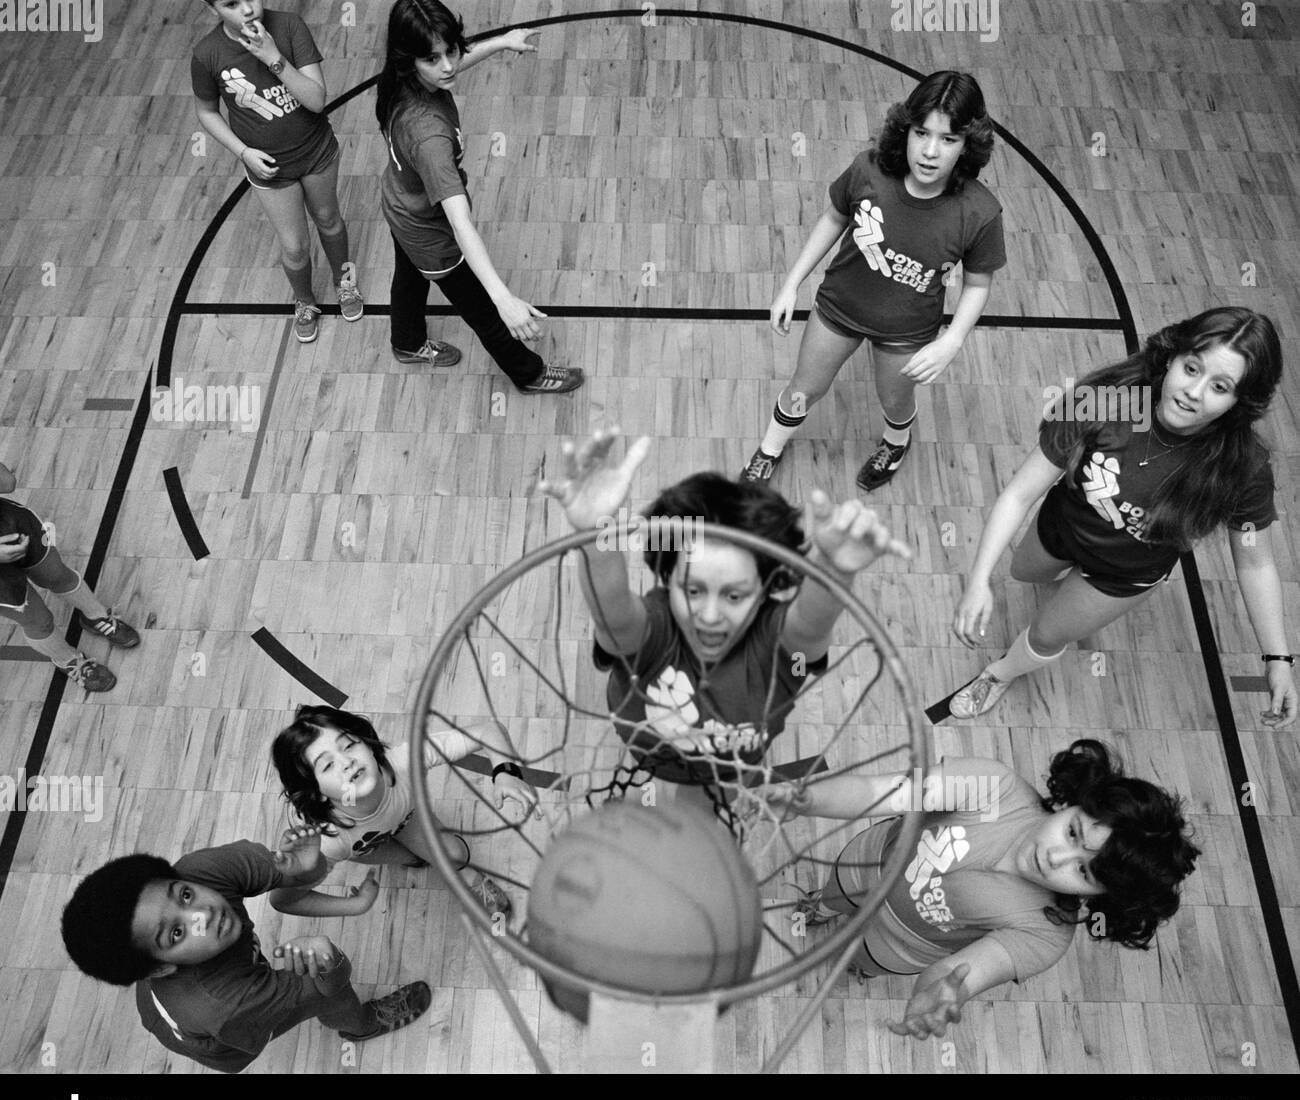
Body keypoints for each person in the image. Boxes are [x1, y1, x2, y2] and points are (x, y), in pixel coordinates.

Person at [950, 307, 1296, 725]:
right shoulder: (1102, 401)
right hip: (1062, 525)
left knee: (1045, 633)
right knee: (1025, 574)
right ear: (1172, 357)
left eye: (1219, 386)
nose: (1193, 392)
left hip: (1123, 576)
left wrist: (1278, 658)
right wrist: (979, 579)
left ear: (1239, 402)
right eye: (1191, 368)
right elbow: (1020, 493)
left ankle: (999, 673)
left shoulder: (1243, 468)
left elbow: (1256, 562)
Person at [538, 428, 910, 794]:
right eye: (694, 590)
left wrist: (836, 568)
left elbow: (813, 625)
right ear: (668, 577)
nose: (710, 615)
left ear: (767, 588)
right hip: (648, 749)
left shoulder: (783, 649)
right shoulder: (654, 633)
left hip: (734, 767)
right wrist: (596, 537)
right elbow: (612, 614)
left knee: (726, 804)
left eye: (734, 596)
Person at [765, 738, 1200, 1039]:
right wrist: (808, 799)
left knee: (863, 961)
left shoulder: (1045, 935)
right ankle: (821, 907)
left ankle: (859, 965)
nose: (1056, 859)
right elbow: (881, 794)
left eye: (1084, 873)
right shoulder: (994, 786)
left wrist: (939, 994)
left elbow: (963, 974)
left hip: (900, 946)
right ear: (1075, 804)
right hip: (869, 860)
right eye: (1072, 834)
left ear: (1103, 897)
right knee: (833, 895)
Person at [742, 70, 1004, 491]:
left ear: (968, 144)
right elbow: (834, 217)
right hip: (839, 309)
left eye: (948, 139)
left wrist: (952, 340)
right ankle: (769, 450)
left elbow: (977, 283)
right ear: (906, 128)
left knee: (896, 400)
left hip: (907, 330)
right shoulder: (868, 170)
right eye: (922, 132)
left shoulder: (980, 213)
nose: (930, 151)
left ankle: (896, 443)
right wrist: (791, 283)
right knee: (803, 389)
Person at [60, 825, 432, 1072]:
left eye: (184, 895)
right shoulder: (229, 1003)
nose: (202, 913)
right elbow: (328, 982)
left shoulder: (197, 869)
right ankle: (362, 1026)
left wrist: (306, 865)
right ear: (157, 969)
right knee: (326, 995)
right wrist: (327, 960)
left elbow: (297, 876)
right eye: (175, 933)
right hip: (223, 1036)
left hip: (184, 1000)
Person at [378, 0, 582, 392]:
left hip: (400, 205)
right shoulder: (429, 137)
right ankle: (530, 374)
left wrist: (502, 42)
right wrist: (504, 298)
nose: (449, 66)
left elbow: (450, 65)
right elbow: (459, 222)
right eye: (433, 58)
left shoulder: (402, 79)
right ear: (411, 60)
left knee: (408, 277)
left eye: (450, 51)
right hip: (431, 231)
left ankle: (406, 341)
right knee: (485, 312)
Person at [191, 0, 363, 343]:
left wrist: (272, 56)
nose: (247, 8)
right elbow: (206, 112)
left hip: (316, 153)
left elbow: (316, 100)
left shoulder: (289, 27)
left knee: (329, 220)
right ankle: (304, 302)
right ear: (213, 10)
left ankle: (344, 284)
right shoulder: (207, 54)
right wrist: (243, 152)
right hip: (268, 169)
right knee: (295, 246)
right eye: (231, 4)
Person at [268, 705, 537, 916]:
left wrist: (505, 771)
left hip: (404, 819)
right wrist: (355, 905)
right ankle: (416, 858)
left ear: (366, 743)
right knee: (416, 858)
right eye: (327, 766)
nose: (347, 762)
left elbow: (488, 730)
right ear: (315, 790)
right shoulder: (330, 842)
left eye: (348, 745)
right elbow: (284, 901)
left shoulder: (404, 762)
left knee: (453, 853)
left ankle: (463, 874)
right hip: (366, 846)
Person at [0, 460, 138, 692]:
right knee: (38, 621)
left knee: (57, 575)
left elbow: (7, 483)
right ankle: (68, 660)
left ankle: (95, 616)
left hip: (10, 524)